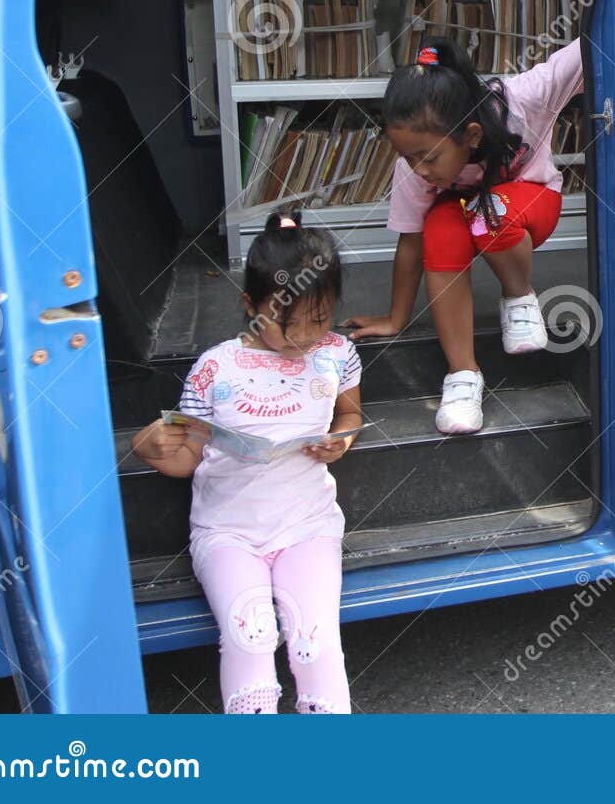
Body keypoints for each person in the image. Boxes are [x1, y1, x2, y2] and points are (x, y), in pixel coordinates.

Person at [131, 212, 361, 714]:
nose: (303, 335)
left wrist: (340, 441)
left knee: (315, 639)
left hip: (309, 525)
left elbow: (350, 413)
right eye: (288, 320)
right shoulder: (216, 366)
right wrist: (150, 448)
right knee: (251, 633)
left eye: (318, 319)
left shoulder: (337, 354)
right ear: (250, 306)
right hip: (227, 531)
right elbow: (188, 455)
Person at [345, 36, 583, 435]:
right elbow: (411, 239)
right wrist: (396, 317)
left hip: (530, 208)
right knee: (438, 228)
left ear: (471, 135)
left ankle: (519, 296)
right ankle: (463, 376)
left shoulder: (524, 98)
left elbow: (589, 46)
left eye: (428, 157)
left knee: (487, 211)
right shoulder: (414, 167)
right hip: (472, 217)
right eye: (407, 156)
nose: (418, 169)